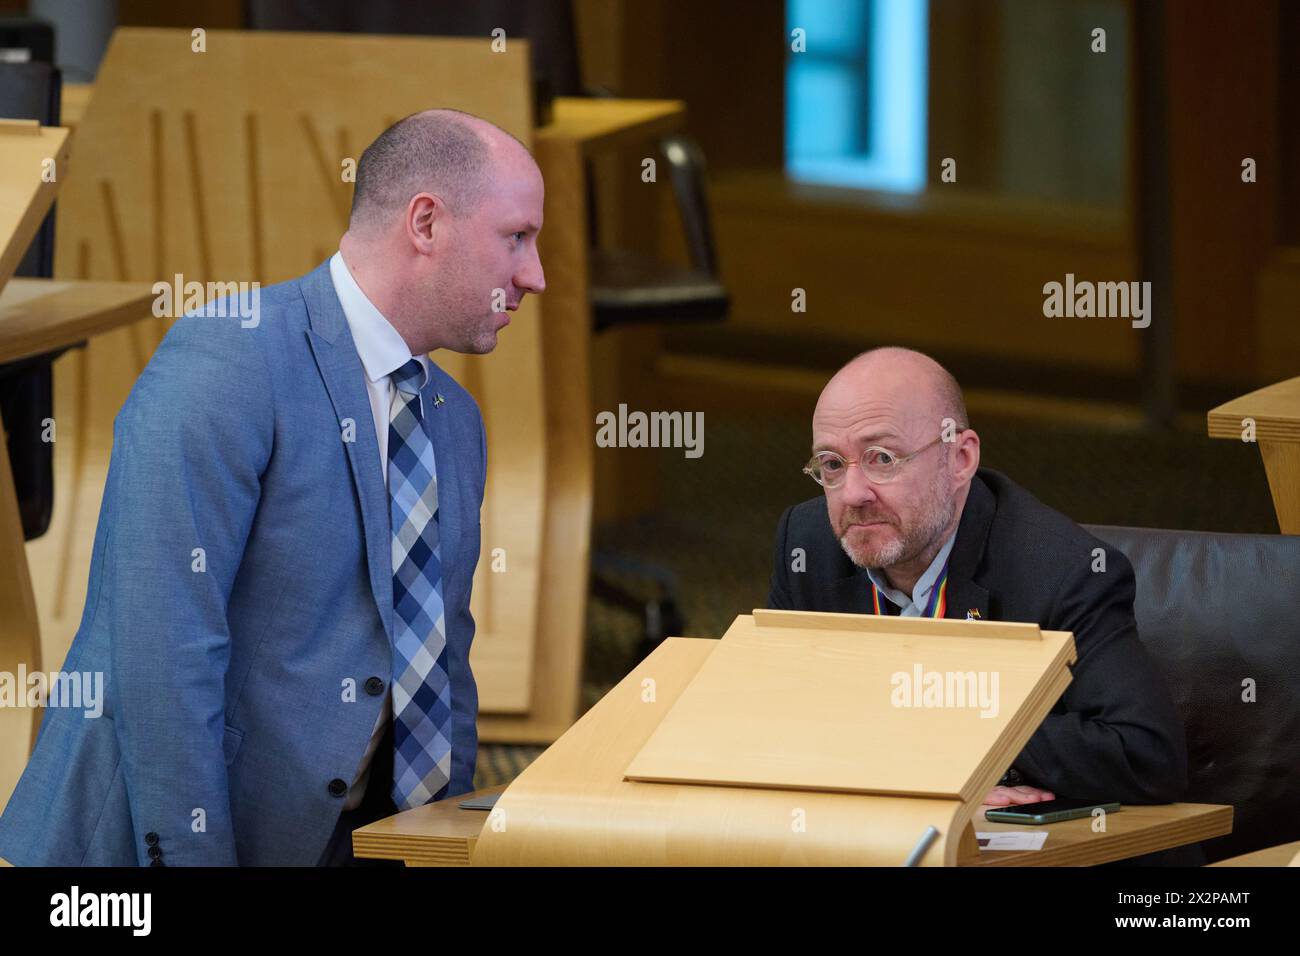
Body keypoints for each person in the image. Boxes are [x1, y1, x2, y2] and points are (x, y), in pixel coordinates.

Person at [0, 108, 545, 866]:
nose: (535, 274)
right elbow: (163, 661)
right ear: (426, 223)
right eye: (516, 237)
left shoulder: (453, 421)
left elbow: (439, 661)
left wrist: (437, 846)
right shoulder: (225, 365)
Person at [768, 347, 1189, 822]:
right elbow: (773, 716)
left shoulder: (1064, 571)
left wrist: (955, 743)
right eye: (831, 464)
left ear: (960, 458)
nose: (853, 493)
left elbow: (1147, 755)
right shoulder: (807, 545)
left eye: (882, 458)